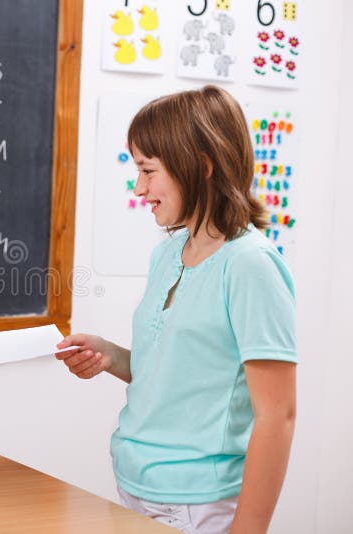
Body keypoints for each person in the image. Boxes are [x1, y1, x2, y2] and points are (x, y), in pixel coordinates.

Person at [56, 86, 296, 533]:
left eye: (149, 171)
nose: (140, 188)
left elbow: (277, 415)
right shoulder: (167, 254)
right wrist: (109, 354)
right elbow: (178, 374)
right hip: (134, 484)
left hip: (201, 505)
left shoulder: (250, 265)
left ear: (201, 166)